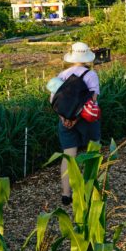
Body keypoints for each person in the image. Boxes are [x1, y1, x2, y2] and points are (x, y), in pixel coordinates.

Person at [51, 42, 101, 205]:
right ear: (87, 57)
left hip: (65, 120)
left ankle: (66, 194)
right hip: (86, 120)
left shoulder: (62, 74)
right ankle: (89, 190)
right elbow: (92, 99)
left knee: (68, 155)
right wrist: (77, 119)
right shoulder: (91, 75)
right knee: (92, 152)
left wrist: (65, 118)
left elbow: (54, 101)